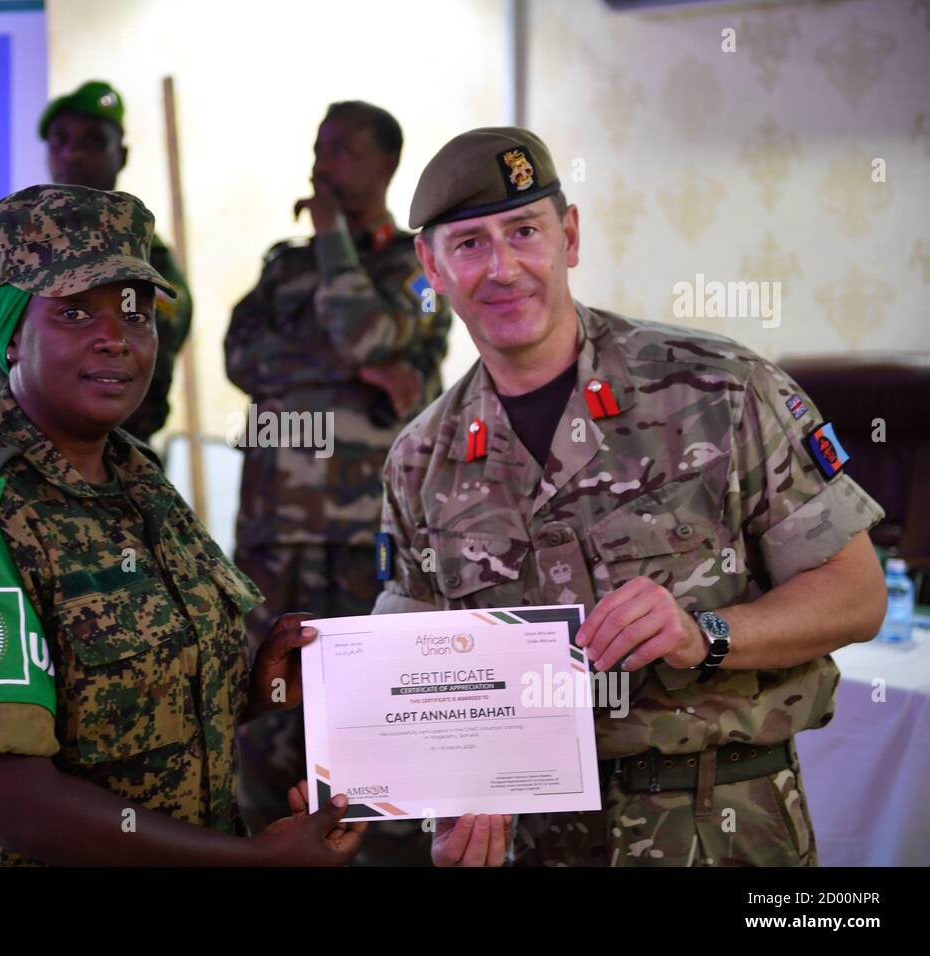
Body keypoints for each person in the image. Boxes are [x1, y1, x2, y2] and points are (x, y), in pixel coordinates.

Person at [375, 127, 888, 867]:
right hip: (528, 840)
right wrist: (435, 789)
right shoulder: (422, 458)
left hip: (717, 826)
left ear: (570, 235)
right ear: (432, 266)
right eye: (469, 244)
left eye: (525, 231)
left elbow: (857, 594)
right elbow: (415, 669)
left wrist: (705, 633)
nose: (503, 267)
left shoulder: (719, 389)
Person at [0, 184, 364, 865]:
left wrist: (254, 687)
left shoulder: (135, 479)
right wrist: (254, 863)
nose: (115, 338)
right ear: (12, 332)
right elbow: (14, 801)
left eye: (136, 313)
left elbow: (119, 705)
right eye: (75, 313)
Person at [226, 100, 452, 864]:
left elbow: (370, 332)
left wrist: (332, 250)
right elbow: (243, 360)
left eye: (345, 150)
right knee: (263, 716)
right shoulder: (282, 263)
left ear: (388, 163)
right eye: (319, 147)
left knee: (369, 719)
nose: (323, 163)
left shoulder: (422, 269)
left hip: (368, 534)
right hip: (272, 527)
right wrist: (358, 371)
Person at [0, 80, 193, 443]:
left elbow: (128, 384)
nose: (73, 154)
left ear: (121, 155)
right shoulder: (28, 253)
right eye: (60, 141)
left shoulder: (148, 266)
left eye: (92, 142)